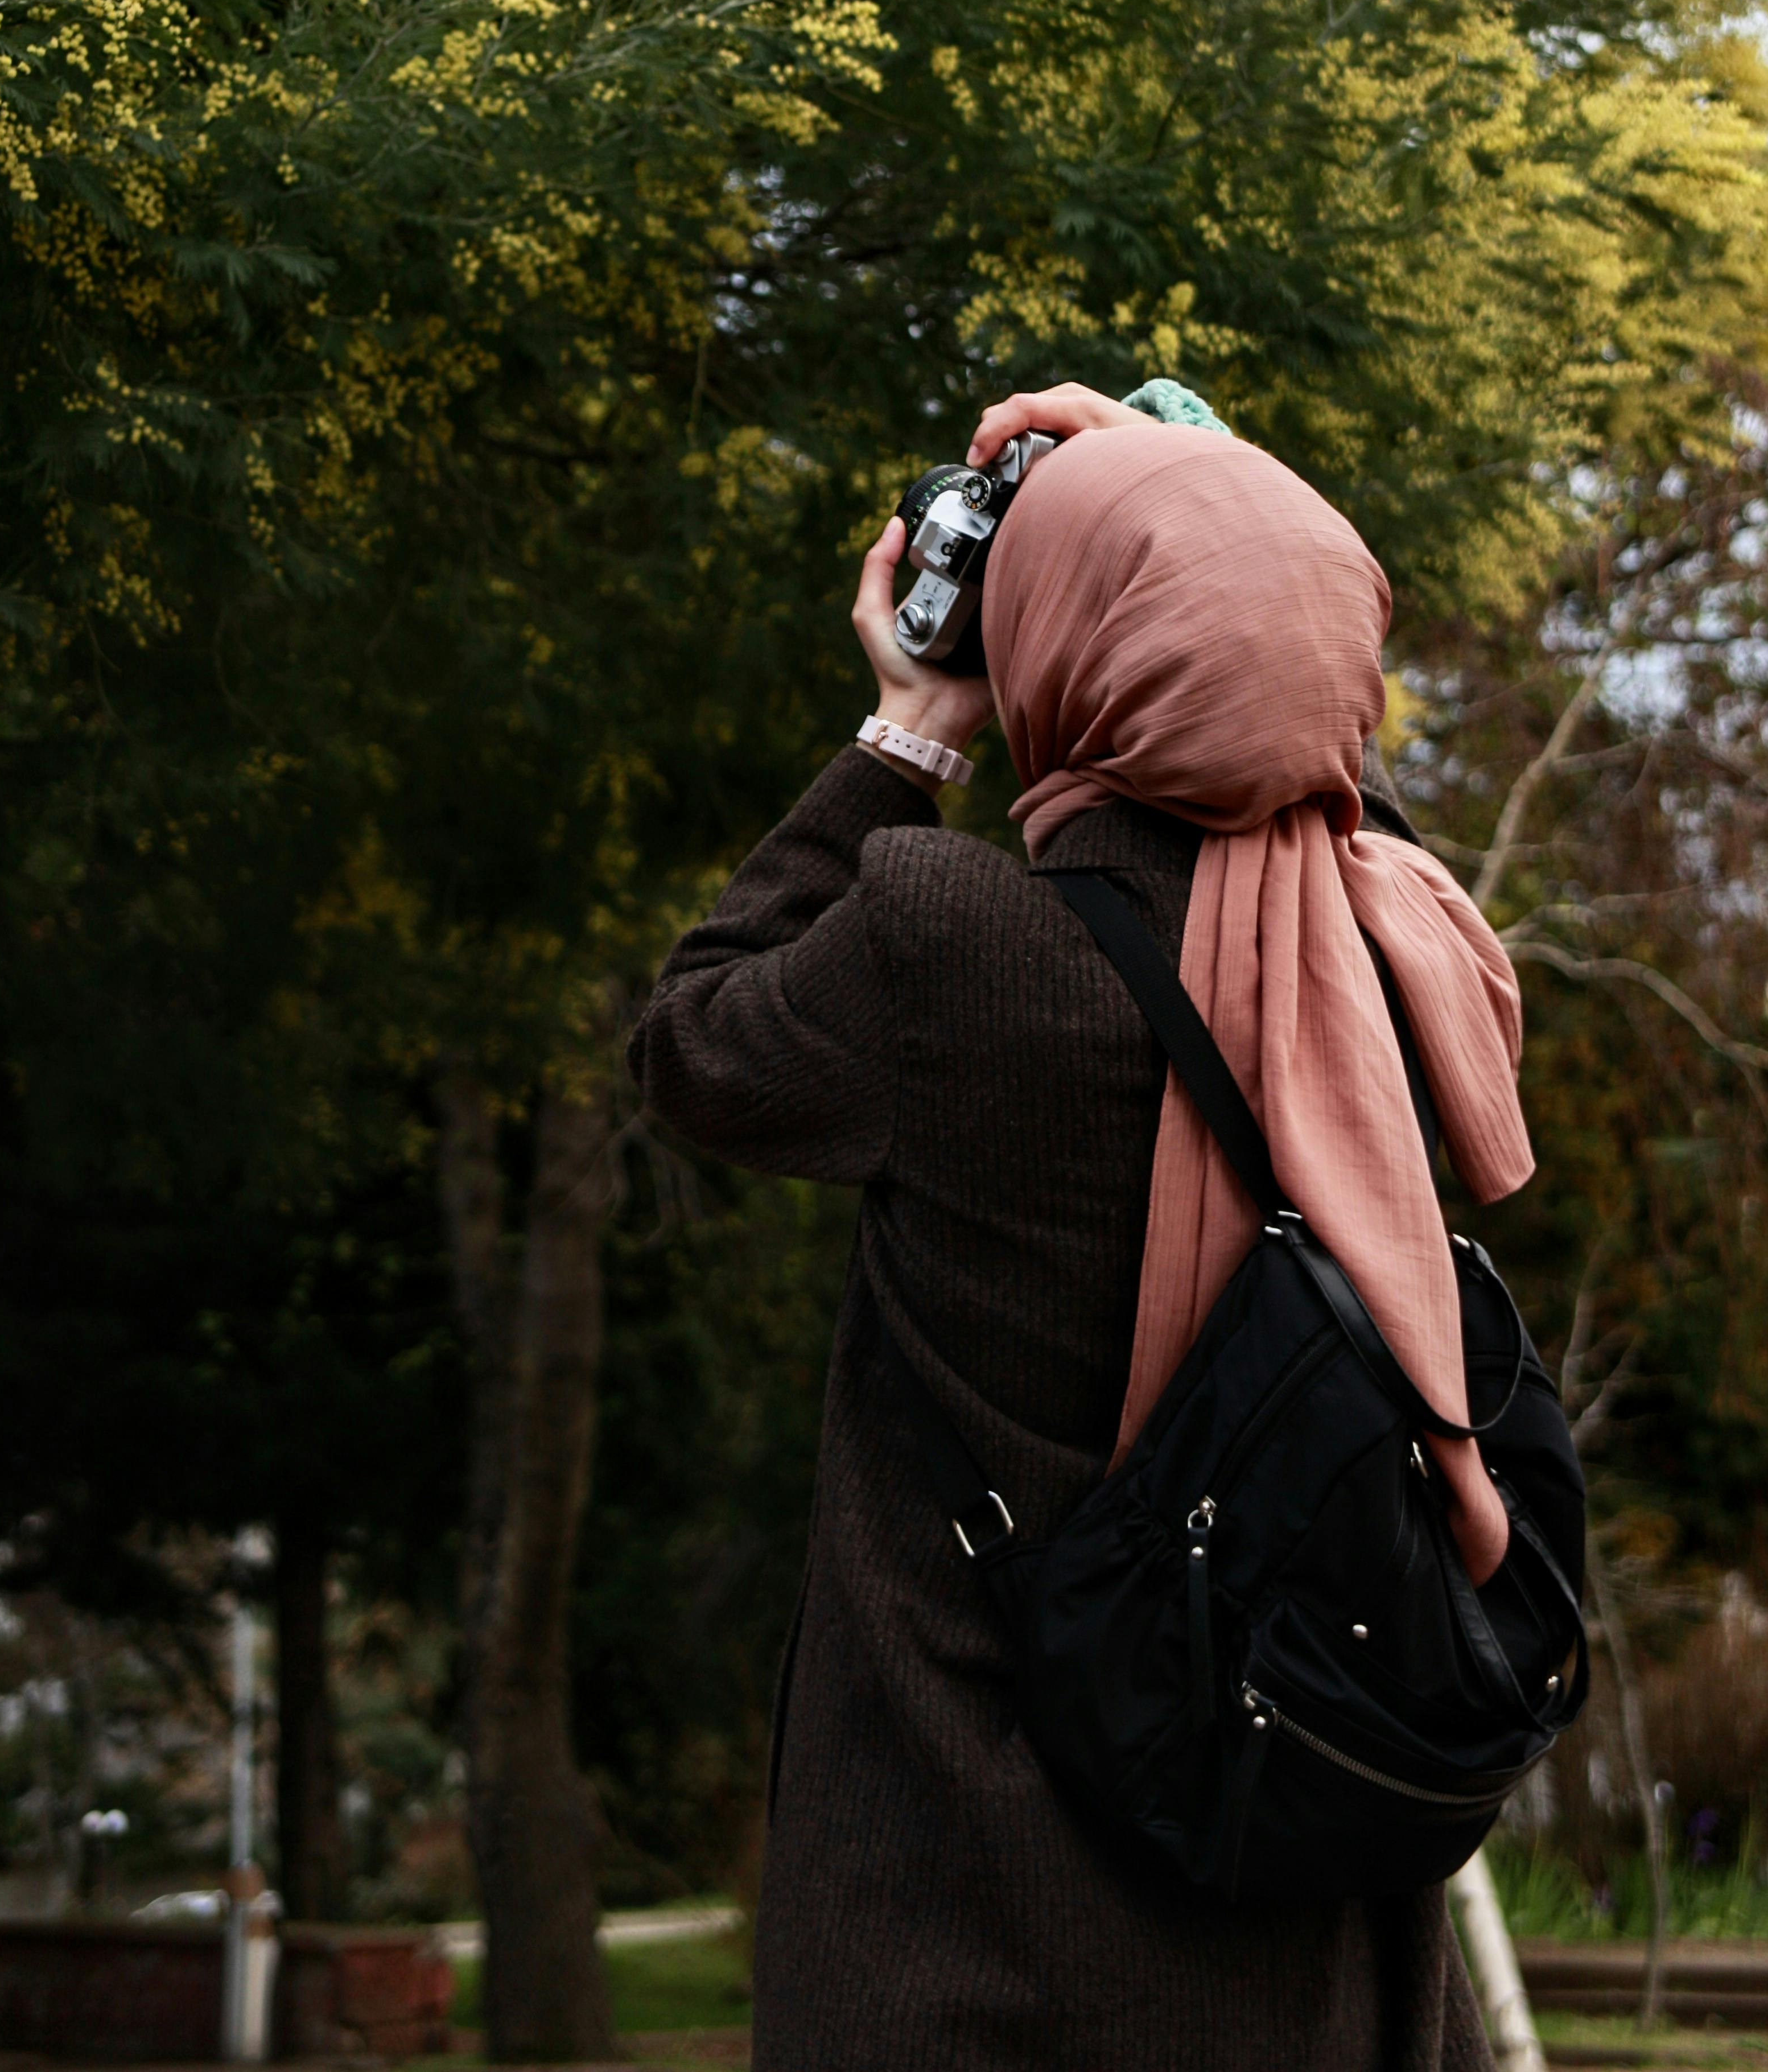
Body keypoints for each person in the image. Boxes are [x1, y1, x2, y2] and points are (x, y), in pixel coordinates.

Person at [629, 382, 1529, 2072]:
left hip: (967, 1909)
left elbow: (694, 1045)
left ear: (1053, 646)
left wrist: (910, 728)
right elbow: (1305, 756)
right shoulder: (1411, 963)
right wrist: (1212, 502)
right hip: (1304, 1900)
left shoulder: (946, 941)